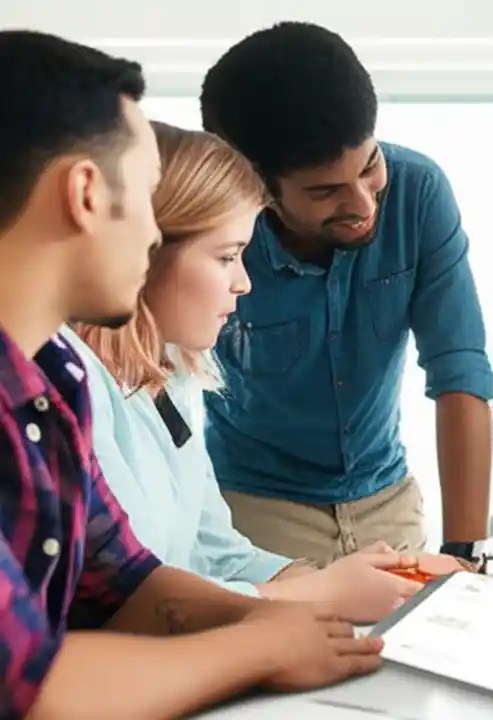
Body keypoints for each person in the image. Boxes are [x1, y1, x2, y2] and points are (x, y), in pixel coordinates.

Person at [0, 31, 380, 720]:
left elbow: (131, 585)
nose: (154, 234)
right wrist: (263, 644)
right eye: (148, 197)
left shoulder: (51, 384)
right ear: (85, 194)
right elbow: (30, 688)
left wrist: (294, 620)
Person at [69, 122, 468, 624]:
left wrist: (386, 576)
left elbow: (219, 555)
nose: (243, 283)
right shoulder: (69, 385)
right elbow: (125, 601)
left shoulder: (175, 377)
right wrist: (320, 595)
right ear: (147, 251)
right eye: (227, 257)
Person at [198, 22, 493, 567]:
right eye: (325, 191)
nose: (361, 204)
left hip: (389, 504)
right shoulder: (213, 230)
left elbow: (461, 374)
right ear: (257, 186)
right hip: (255, 514)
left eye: (370, 166)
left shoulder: (420, 192)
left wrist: (466, 553)